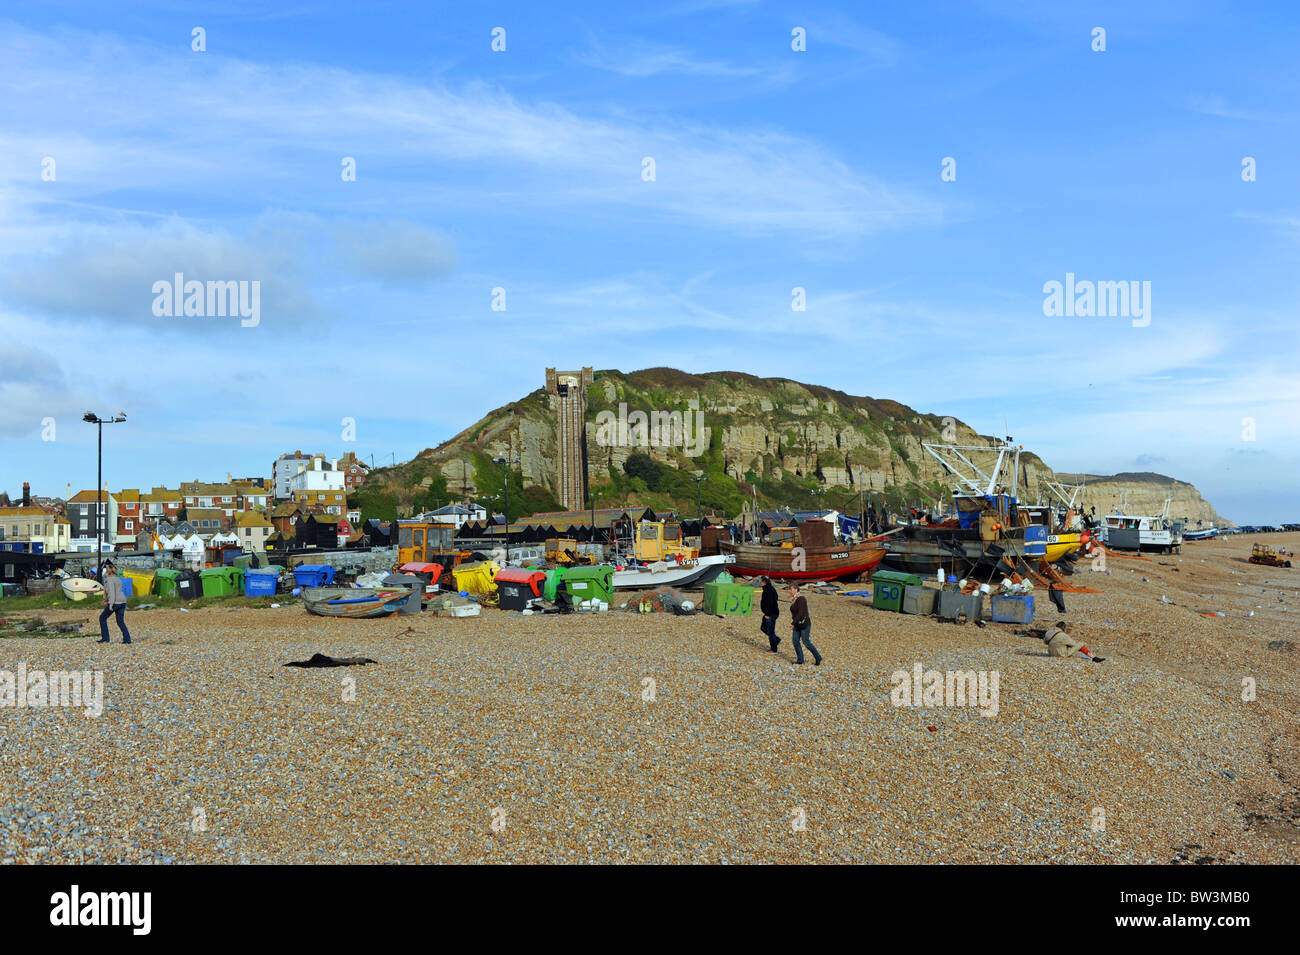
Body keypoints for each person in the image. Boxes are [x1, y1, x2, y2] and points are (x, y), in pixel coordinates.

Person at [787, 585, 821, 666]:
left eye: (790, 589)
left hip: (804, 624)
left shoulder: (801, 599)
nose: (789, 591)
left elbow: (801, 613)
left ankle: (818, 657)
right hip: (797, 624)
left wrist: (793, 623)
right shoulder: (794, 599)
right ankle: (800, 660)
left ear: (796, 589)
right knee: (795, 641)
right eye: (789, 589)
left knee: (806, 642)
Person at [98, 562, 132, 645]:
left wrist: (110, 604)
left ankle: (105, 638)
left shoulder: (109, 580)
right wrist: (106, 600)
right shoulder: (118, 578)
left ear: (107, 572)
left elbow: (112, 592)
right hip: (123, 601)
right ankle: (127, 639)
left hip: (115, 602)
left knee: (102, 618)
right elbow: (116, 591)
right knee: (120, 621)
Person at [759, 576, 780, 652]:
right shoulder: (768, 588)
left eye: (761, 581)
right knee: (763, 628)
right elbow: (776, 597)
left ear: (764, 582)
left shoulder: (769, 590)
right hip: (769, 613)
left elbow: (770, 603)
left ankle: (774, 649)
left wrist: (768, 614)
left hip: (771, 614)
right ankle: (776, 640)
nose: (760, 582)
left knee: (771, 632)